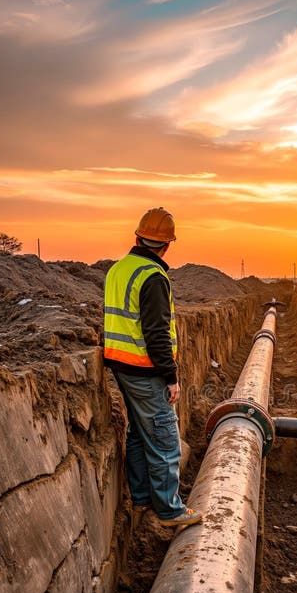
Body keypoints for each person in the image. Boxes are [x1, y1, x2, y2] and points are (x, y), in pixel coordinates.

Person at [103, 207, 202, 531]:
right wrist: (170, 376)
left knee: (137, 431)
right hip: (144, 370)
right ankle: (169, 510)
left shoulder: (118, 269)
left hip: (120, 365)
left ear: (137, 236)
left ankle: (143, 496)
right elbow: (157, 333)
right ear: (167, 245)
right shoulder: (154, 277)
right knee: (164, 438)